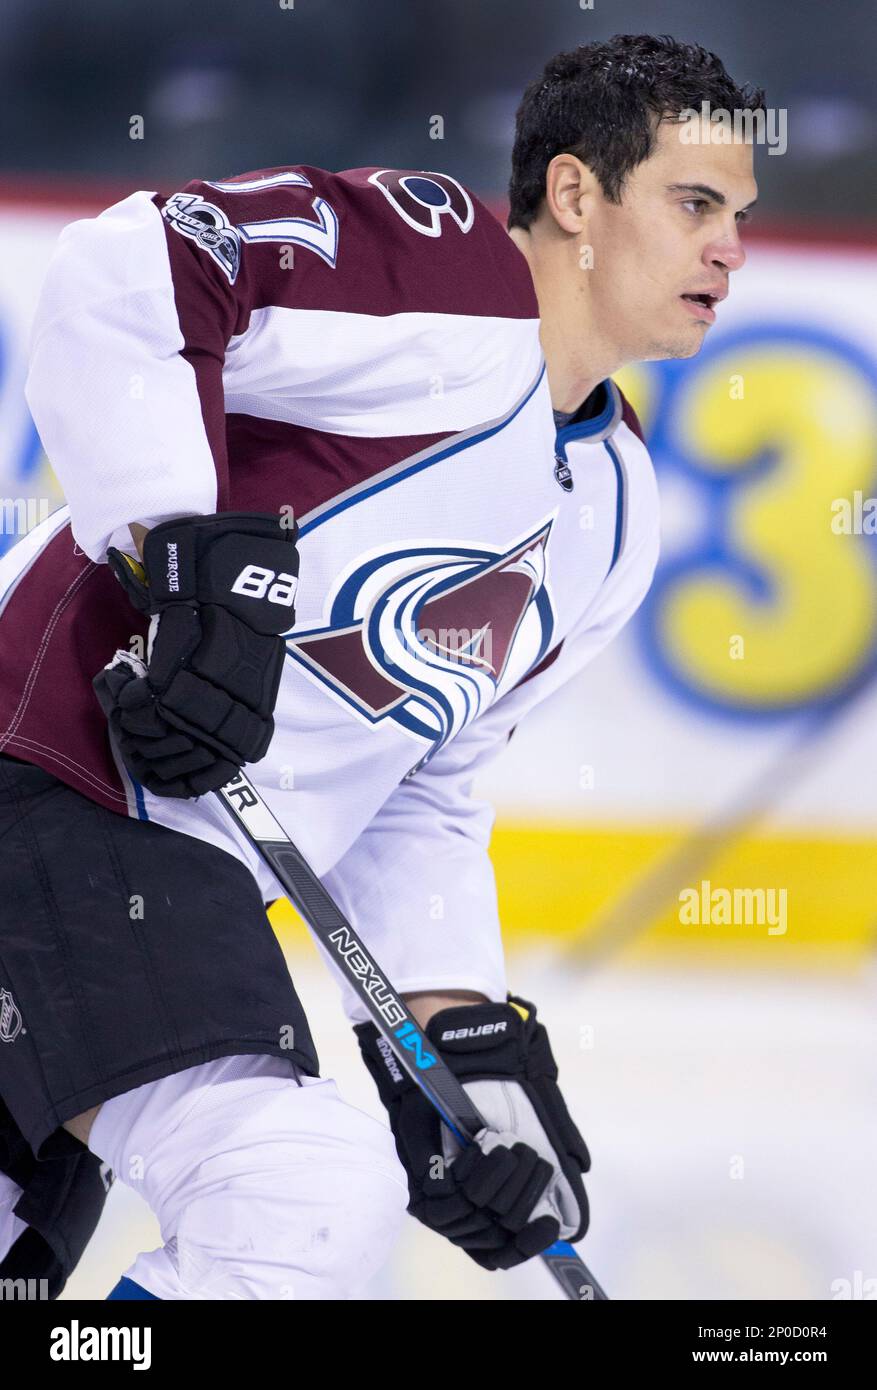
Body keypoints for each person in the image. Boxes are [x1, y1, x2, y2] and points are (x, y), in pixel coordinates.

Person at [0, 34, 761, 1299]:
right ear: (574, 197)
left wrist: (456, 1058)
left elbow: (424, 784)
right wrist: (178, 550)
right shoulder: (443, 275)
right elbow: (129, 265)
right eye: (693, 203)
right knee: (298, 1203)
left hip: (149, 891)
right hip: (53, 776)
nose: (730, 245)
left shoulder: (613, 516)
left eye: (738, 213)